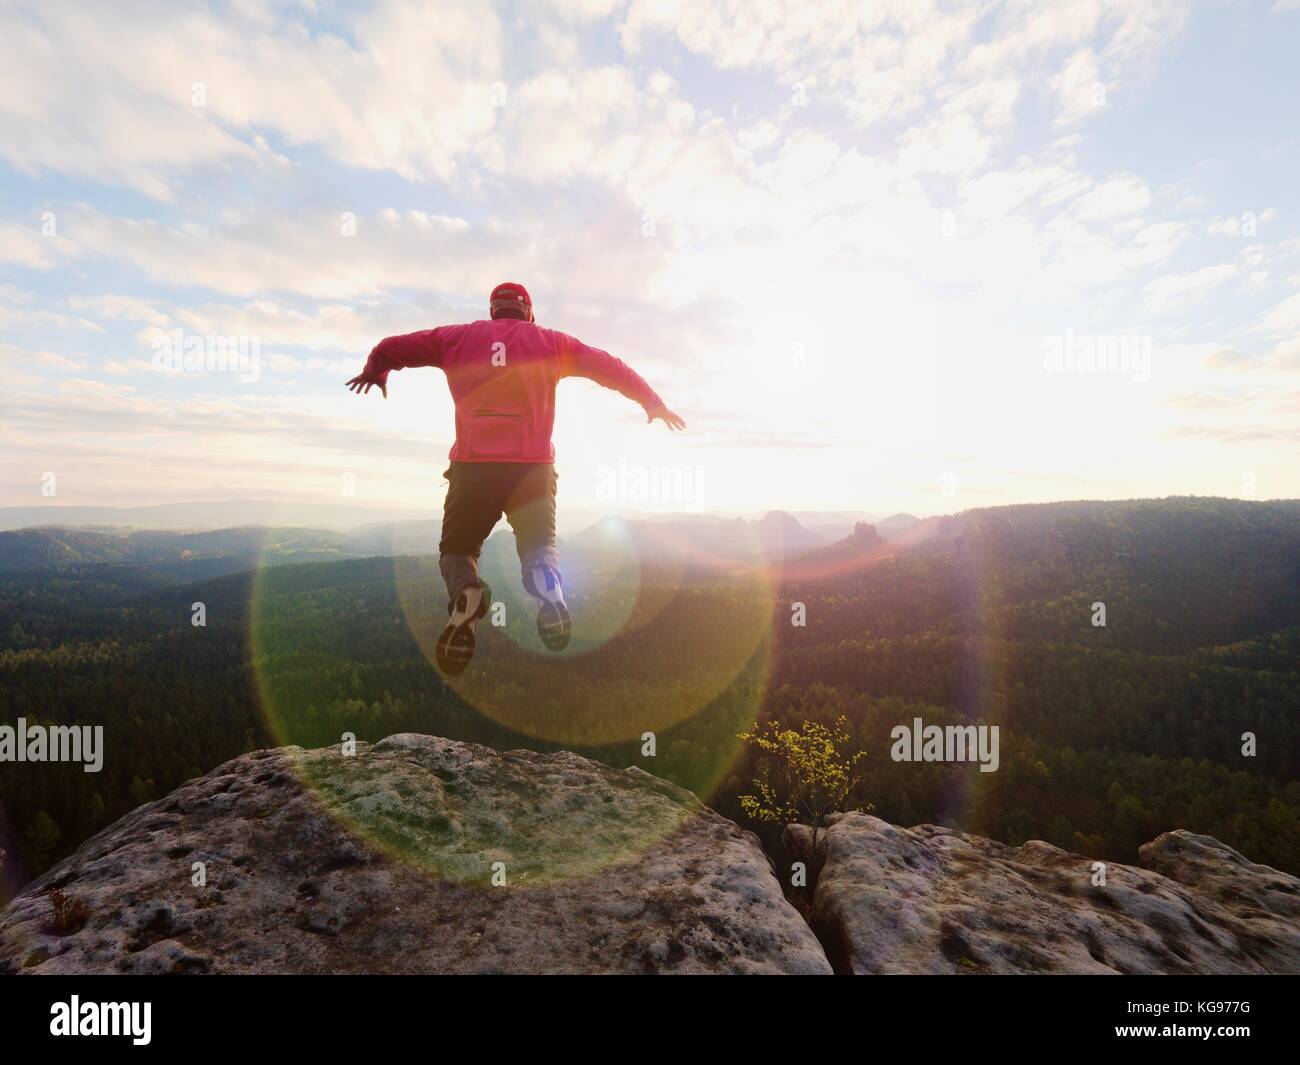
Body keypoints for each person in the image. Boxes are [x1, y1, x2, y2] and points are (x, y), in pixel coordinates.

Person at [347, 282, 685, 674]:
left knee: (458, 553)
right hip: (533, 470)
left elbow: (391, 346)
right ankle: (549, 586)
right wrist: (652, 402)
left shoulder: (455, 338)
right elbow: (609, 366)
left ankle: (467, 594)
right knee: (539, 549)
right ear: (528, 311)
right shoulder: (550, 343)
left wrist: (376, 371)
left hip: (473, 471)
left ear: (493, 310)